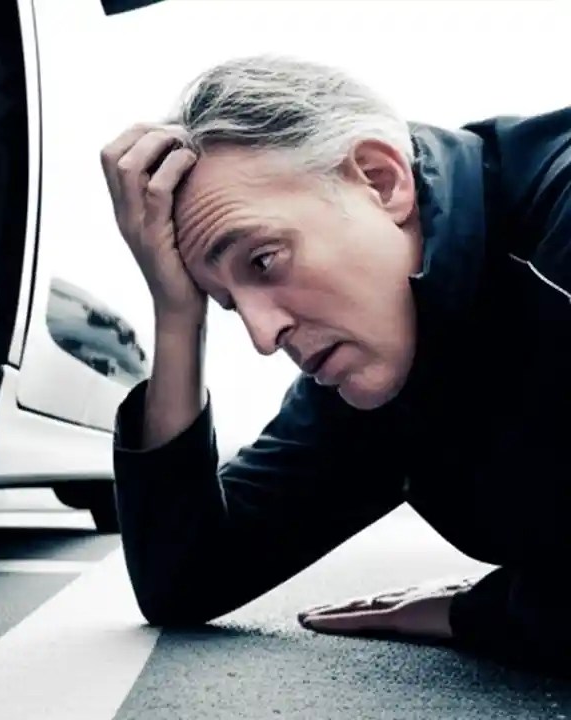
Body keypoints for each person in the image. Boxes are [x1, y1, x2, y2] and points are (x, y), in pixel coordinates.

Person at [99, 54, 568, 675]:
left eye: (263, 261)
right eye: (229, 303)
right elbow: (184, 578)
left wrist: (481, 612)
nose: (264, 336)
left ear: (381, 181)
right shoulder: (379, 367)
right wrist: (178, 318)